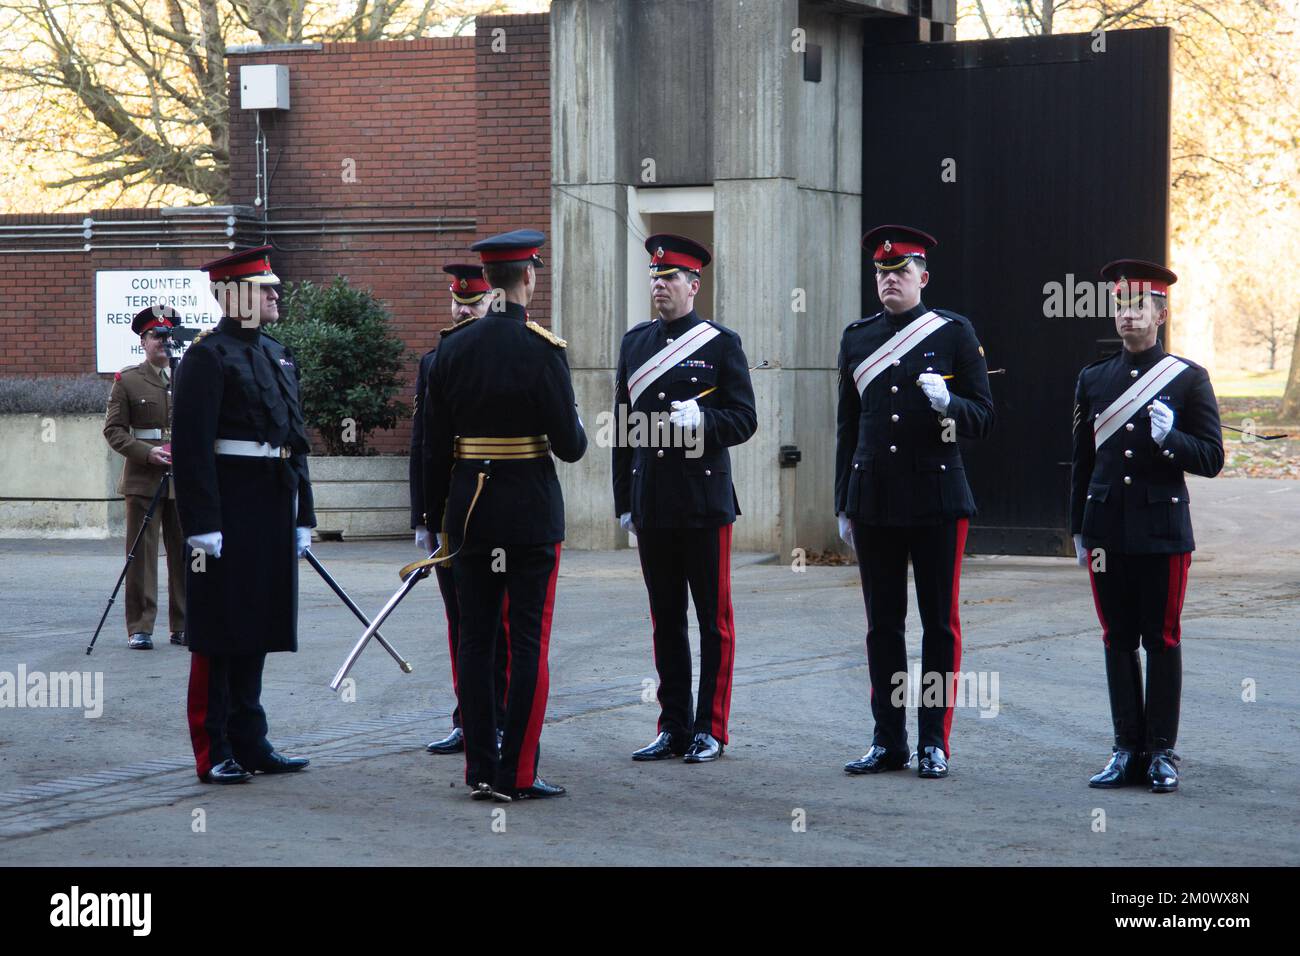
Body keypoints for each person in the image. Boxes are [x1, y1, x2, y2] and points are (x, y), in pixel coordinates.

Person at [421, 229, 587, 801]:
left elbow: (433, 445)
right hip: (529, 515)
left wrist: (432, 517)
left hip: (468, 513)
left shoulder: (450, 349)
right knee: (527, 642)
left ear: (488, 280)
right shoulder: (543, 350)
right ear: (530, 279)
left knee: (475, 639)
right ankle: (517, 771)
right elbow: (570, 446)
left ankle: (479, 770)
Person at [835, 225, 994, 779]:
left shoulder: (953, 333)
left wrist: (950, 402)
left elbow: (984, 418)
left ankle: (933, 741)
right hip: (874, 497)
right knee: (883, 625)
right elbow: (848, 426)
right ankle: (888, 740)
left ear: (923, 278)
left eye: (900, 272)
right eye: (882, 271)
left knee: (938, 625)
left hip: (936, 497)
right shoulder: (857, 338)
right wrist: (842, 503)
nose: (889, 280)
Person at [1071, 259, 1223, 793]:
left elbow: (1211, 458)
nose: (1127, 315)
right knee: (1117, 640)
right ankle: (1125, 749)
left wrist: (1171, 440)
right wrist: (1078, 531)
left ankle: (1161, 751)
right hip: (1106, 529)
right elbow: (1083, 463)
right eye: (1120, 305)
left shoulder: (1187, 378)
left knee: (1160, 639)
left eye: (1138, 306)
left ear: (1160, 313)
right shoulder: (1094, 379)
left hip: (1162, 531)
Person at [171, 245, 315, 785]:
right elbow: (192, 448)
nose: (276, 294)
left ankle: (251, 740)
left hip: (271, 501)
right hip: (227, 506)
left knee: (256, 621)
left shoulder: (278, 353)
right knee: (218, 627)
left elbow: (294, 440)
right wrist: (202, 524)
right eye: (265, 288)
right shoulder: (207, 357)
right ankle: (215, 748)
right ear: (233, 295)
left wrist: (304, 512)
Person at [612, 234, 757, 764]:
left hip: (703, 501)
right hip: (653, 500)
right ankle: (672, 725)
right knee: (665, 619)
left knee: (712, 621)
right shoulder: (634, 344)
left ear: (694, 285)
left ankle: (710, 728)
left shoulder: (720, 343)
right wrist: (624, 500)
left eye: (670, 277)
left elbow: (745, 418)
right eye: (655, 276)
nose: (659, 285)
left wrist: (707, 421)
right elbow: (624, 430)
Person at [410, 263, 509, 755]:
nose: (462, 310)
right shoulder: (435, 360)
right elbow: (423, 444)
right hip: (452, 511)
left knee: (502, 624)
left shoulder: (514, 352)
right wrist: (422, 519)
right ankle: (469, 717)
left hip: (500, 511)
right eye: (456, 303)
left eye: (471, 303)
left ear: (493, 301)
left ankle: (504, 717)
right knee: (462, 623)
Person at [102, 305, 187, 650]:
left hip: (183, 481)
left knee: (186, 555)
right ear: (143, 340)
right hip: (143, 480)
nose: (164, 342)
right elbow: (114, 431)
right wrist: (146, 452)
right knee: (142, 556)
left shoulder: (187, 377)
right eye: (157, 336)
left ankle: (184, 624)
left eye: (169, 336)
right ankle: (141, 626)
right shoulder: (129, 379)